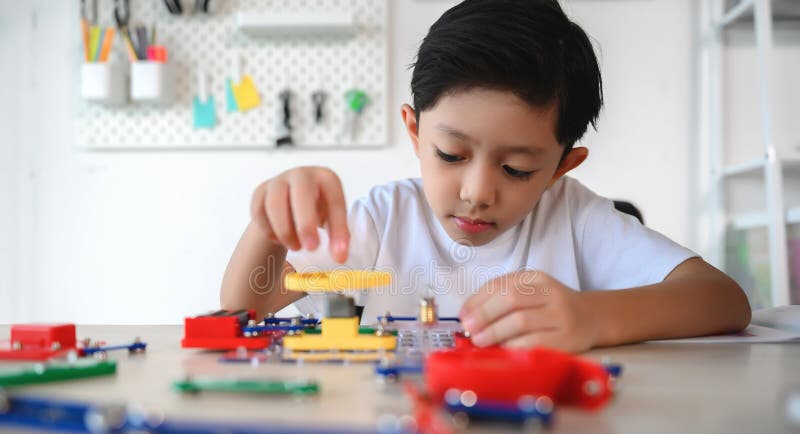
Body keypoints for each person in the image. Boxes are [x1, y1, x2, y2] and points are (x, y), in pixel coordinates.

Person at [220, 0, 750, 353]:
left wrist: (591, 318)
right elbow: (243, 310)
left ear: (561, 168)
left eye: (517, 169)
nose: (477, 193)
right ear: (414, 132)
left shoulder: (574, 219)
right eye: (451, 154)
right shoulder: (384, 221)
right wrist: (271, 226)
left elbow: (723, 299)